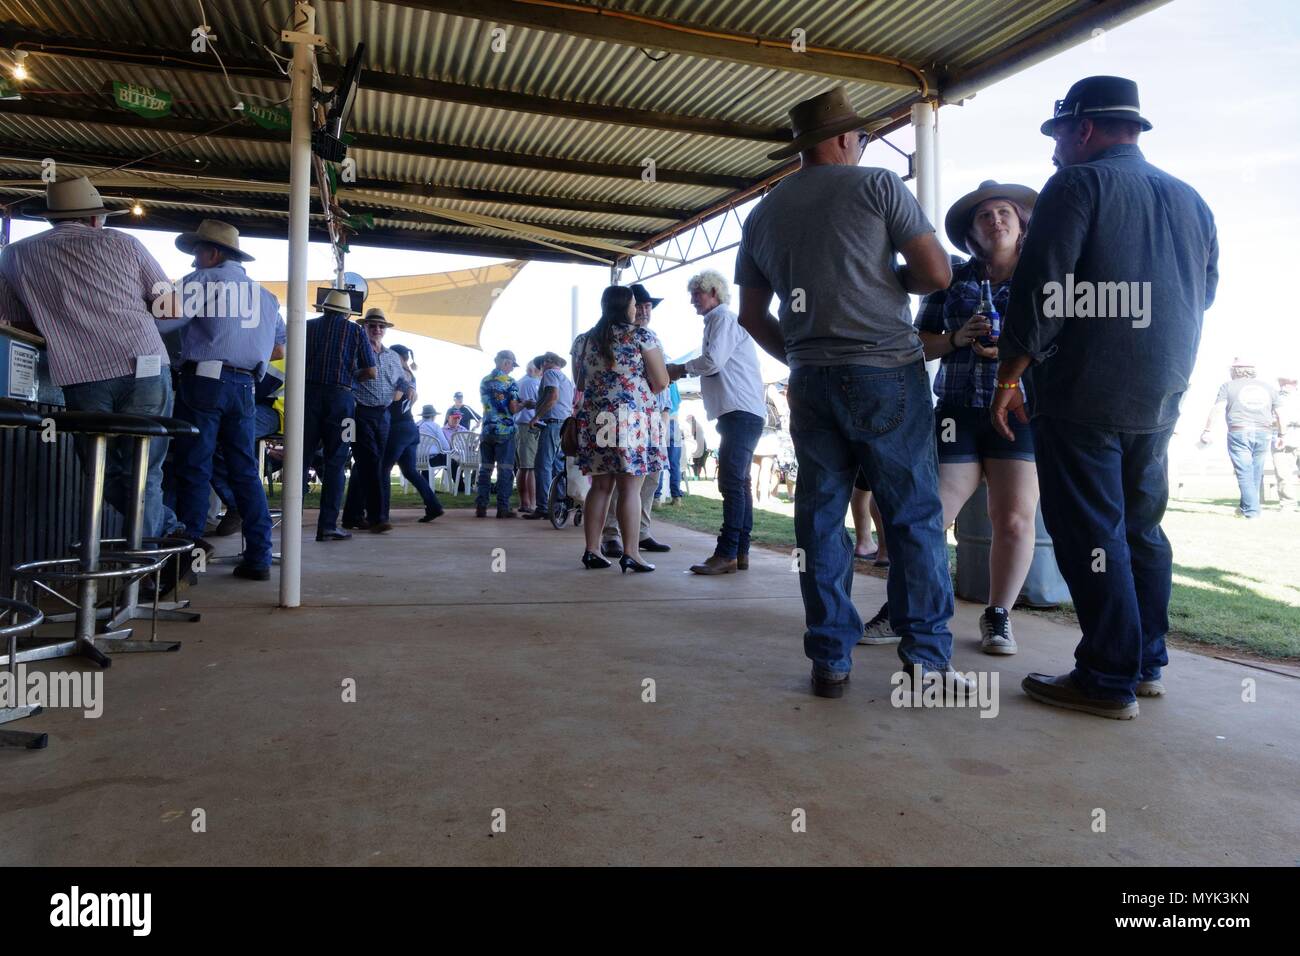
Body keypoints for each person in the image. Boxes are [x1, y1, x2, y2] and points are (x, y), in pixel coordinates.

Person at [992, 75, 1219, 718]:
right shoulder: (1191, 198)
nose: (1055, 151)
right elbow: (1203, 293)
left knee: (1092, 527)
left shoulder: (1077, 184)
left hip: (1084, 385)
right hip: (1160, 389)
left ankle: (1106, 675)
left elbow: (1043, 292)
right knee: (1141, 527)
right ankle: (1146, 663)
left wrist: (1009, 380)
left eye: (1059, 134)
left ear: (1082, 129)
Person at [733, 86, 959, 699]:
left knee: (820, 517)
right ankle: (926, 661)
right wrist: (891, 281)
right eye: (858, 137)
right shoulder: (878, 186)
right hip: (886, 368)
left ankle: (831, 659)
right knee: (912, 514)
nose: (861, 147)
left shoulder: (762, 213)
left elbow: (752, 316)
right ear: (841, 140)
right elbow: (937, 275)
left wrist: (804, 355)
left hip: (810, 380)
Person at [860, 180, 1041, 655]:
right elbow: (916, 341)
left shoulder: (1044, 277)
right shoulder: (955, 279)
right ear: (971, 232)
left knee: (1014, 519)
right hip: (958, 411)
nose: (995, 220)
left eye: (1004, 212)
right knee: (927, 516)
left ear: (1021, 223)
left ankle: (998, 616)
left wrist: (1017, 350)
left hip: (1020, 411)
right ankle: (904, 608)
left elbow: (1064, 344)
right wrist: (958, 338)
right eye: (984, 216)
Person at [0, 177, 183, 540]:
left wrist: (66, 317)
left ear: (51, 218)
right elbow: (170, 306)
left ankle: (159, 540)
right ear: (95, 218)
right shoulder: (124, 242)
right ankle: (153, 556)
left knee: (103, 471)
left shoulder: (14, 255)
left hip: (81, 374)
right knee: (144, 470)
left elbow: (17, 323)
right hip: (144, 364)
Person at [163, 220, 284, 581]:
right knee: (245, 471)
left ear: (213, 253)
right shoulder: (266, 296)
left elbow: (160, 324)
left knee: (195, 468)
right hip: (245, 385)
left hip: (204, 381)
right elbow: (279, 345)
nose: (193, 261)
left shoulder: (202, 281)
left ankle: (187, 560)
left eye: (198, 253)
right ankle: (259, 557)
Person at [666, 270, 767, 575]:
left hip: (740, 412)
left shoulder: (722, 319)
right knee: (740, 483)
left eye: (697, 293)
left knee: (731, 483)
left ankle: (727, 553)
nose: (693, 299)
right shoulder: (719, 320)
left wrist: (679, 369)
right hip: (741, 412)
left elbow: (712, 362)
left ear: (714, 293)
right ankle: (740, 551)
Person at [574, 285, 669, 571]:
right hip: (633, 419)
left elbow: (579, 383)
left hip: (596, 418)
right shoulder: (641, 336)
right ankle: (631, 553)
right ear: (627, 308)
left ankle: (592, 550)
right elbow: (662, 381)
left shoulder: (584, 340)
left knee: (600, 486)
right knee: (631, 487)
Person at [600, 284, 672, 556]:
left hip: (653, 415)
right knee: (624, 480)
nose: (642, 310)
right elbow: (660, 379)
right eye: (638, 305)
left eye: (647, 306)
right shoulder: (619, 338)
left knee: (650, 478)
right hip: (629, 418)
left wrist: (664, 415)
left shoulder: (652, 337)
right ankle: (612, 535)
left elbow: (663, 385)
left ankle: (641, 532)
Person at [303, 289, 376, 541]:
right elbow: (371, 371)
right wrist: (350, 378)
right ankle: (328, 525)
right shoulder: (355, 331)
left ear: (323, 308)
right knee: (337, 460)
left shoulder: (307, 327)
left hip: (307, 396)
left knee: (301, 457)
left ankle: (292, 519)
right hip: (342, 400)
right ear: (347, 312)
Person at [341, 307, 405, 533]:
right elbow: (344, 376)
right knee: (372, 462)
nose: (377, 329)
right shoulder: (355, 349)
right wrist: (363, 373)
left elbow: (403, 380)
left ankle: (352, 516)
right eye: (372, 325)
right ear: (364, 327)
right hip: (359, 412)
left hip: (383, 414)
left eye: (380, 326)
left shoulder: (392, 356)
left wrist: (410, 388)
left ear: (385, 330)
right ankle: (378, 517)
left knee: (365, 465)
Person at [1199, 358, 1283, 518]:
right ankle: (1245, 508)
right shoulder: (1268, 388)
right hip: (1264, 432)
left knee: (1244, 472)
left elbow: (1218, 408)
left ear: (1235, 370)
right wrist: (1281, 434)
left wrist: (1207, 430)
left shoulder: (1228, 386)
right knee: (1255, 472)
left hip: (1239, 431)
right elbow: (1281, 413)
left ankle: (1252, 512)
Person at [379, 344, 444, 523]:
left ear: (399, 358)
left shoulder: (400, 375)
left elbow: (395, 399)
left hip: (398, 428)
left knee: (383, 469)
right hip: (410, 428)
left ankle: (381, 514)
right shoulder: (411, 376)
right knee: (410, 471)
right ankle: (434, 505)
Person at [525, 352, 576, 519]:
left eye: (543, 363)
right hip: (564, 423)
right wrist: (535, 405)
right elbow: (559, 400)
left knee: (542, 465)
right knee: (557, 467)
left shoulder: (550, 373)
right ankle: (558, 505)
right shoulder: (565, 378)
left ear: (548, 363)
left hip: (552, 423)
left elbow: (553, 397)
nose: (542, 366)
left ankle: (543, 507)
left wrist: (536, 416)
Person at [474, 350, 525, 518]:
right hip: (505, 430)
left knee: (485, 469)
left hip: (487, 428)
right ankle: (503, 508)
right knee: (505, 469)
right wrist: (525, 405)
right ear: (505, 363)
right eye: (511, 365)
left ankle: (481, 506)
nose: (512, 369)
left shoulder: (484, 381)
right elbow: (513, 408)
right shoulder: (510, 382)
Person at [514, 358, 542, 514]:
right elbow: (537, 404)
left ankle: (525, 502)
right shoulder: (532, 383)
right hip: (528, 425)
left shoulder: (522, 382)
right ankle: (532, 503)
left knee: (524, 467)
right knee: (529, 467)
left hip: (521, 425)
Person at [1273, 378, 1300, 511]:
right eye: (1282, 383)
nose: (1284, 386)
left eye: (1288, 383)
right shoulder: (1274, 397)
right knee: (1283, 473)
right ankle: (1288, 504)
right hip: (1281, 437)